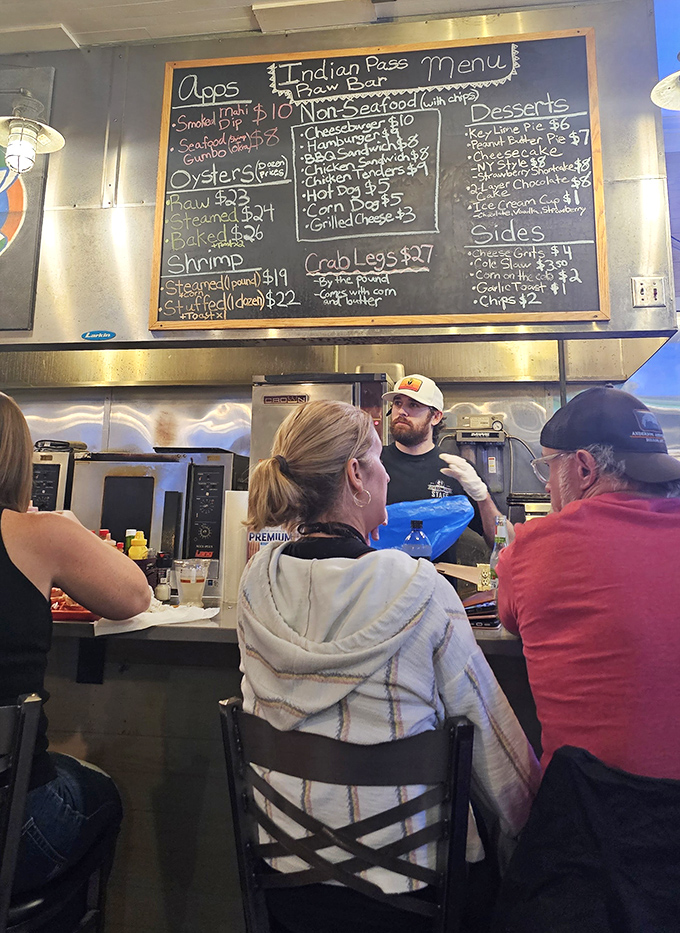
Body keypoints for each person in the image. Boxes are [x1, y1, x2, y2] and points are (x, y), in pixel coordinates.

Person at [239, 399, 540, 933]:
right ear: (356, 475)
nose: (385, 477)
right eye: (378, 461)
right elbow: (499, 757)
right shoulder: (418, 588)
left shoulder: (255, 582)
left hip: (286, 881)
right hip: (412, 894)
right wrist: (541, 840)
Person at [0, 392, 151, 893]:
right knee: (101, 791)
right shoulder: (34, 533)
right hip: (12, 827)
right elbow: (134, 595)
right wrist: (68, 529)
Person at [497, 386, 680, 779]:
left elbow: (508, 620)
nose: (547, 486)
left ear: (583, 468)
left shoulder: (532, 549)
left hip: (593, 817)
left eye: (548, 468)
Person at [380, 374, 506, 561]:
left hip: (438, 586)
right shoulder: (373, 463)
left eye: (413, 405)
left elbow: (502, 540)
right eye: (398, 403)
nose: (402, 411)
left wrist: (483, 496)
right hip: (380, 584)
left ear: (436, 416)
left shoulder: (456, 470)